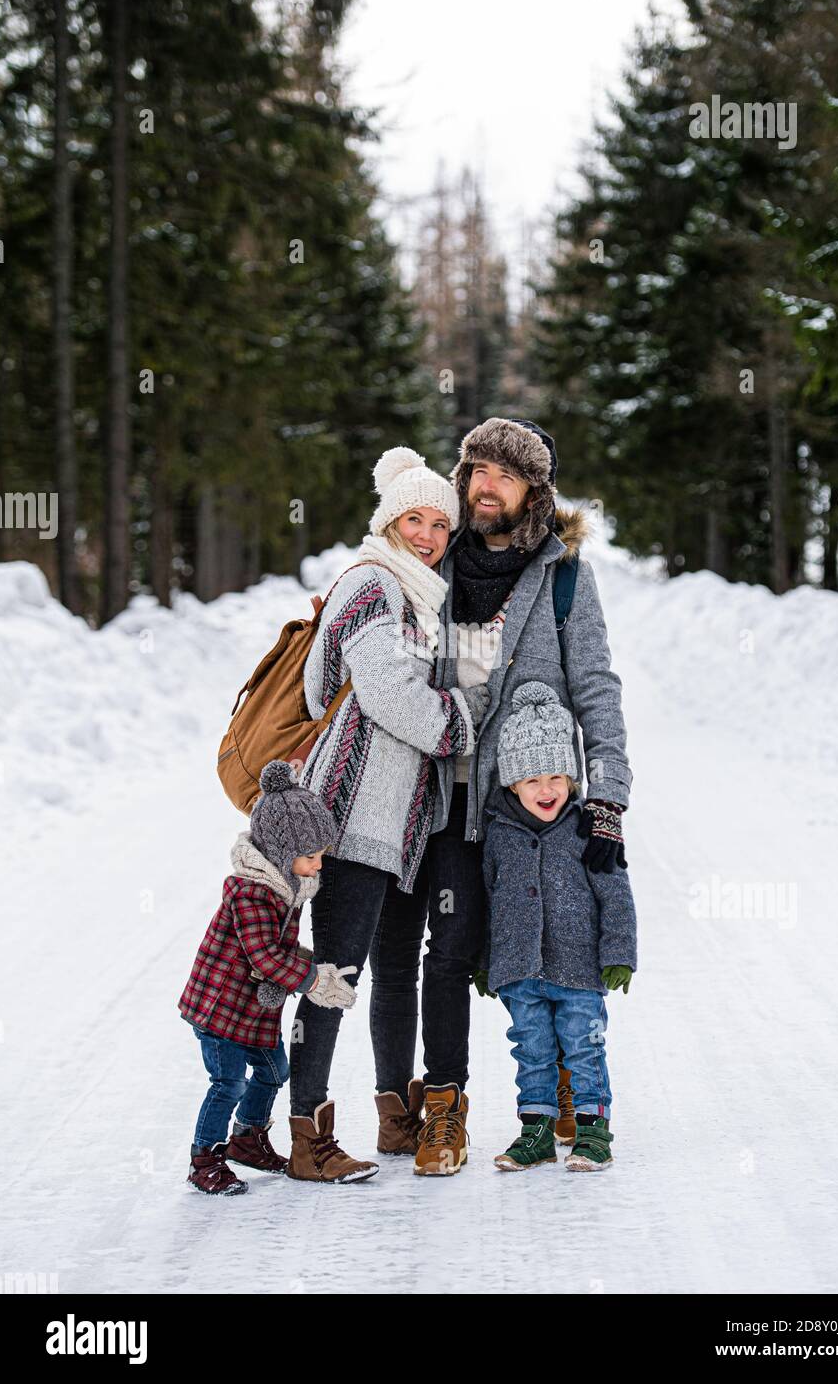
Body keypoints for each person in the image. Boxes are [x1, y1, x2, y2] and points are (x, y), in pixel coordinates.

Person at [416, 417, 632, 1175]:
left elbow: (597, 688)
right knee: (450, 955)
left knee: (559, 937)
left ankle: (570, 1091)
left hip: (538, 807)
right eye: (478, 469)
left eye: (506, 475)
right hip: (447, 799)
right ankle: (440, 1111)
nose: (487, 485)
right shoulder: (434, 561)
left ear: (532, 491)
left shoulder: (564, 572)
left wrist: (606, 797)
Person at [290, 448, 490, 1182]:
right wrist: (462, 724)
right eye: (416, 518)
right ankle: (307, 1133)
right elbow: (387, 694)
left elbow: (444, 687)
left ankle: (394, 1118)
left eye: (442, 523)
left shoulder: (427, 598)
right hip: (352, 815)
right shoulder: (374, 582)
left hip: (400, 824)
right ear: (389, 520)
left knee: (389, 968)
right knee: (335, 972)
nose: (431, 535)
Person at [178, 759, 359, 1195]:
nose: (318, 866)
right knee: (229, 1082)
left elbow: (276, 952)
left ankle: (247, 1138)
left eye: (321, 856)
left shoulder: (285, 887)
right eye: (310, 857)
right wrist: (315, 980)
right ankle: (204, 1158)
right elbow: (263, 956)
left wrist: (313, 963)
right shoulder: (252, 893)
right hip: (220, 1008)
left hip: (251, 1009)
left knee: (275, 1070)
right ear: (282, 853)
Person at [481, 681, 637, 1172]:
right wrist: (486, 961)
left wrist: (619, 954)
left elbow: (616, 894)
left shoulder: (588, 827)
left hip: (579, 969)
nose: (546, 790)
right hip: (521, 972)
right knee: (532, 1053)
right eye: (532, 781)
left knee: (585, 1048)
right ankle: (537, 1133)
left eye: (556, 777)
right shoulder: (497, 834)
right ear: (512, 784)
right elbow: (488, 899)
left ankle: (593, 1134)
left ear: (571, 777)